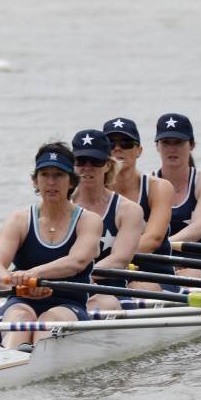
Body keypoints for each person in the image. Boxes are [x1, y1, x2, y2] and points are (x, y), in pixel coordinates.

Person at [0, 142, 101, 351]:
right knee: (21, 318)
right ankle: (11, 359)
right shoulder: (19, 220)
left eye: (58, 175)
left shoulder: (89, 221)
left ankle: (29, 360)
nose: (51, 182)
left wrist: (33, 274)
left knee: (48, 321)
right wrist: (18, 285)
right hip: (21, 301)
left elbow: (77, 261)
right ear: (35, 181)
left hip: (69, 304)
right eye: (45, 174)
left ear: (72, 182)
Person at [69, 129, 144, 311]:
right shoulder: (60, 206)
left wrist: (74, 276)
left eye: (95, 161)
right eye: (81, 161)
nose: (87, 167)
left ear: (108, 166)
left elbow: (119, 259)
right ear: (72, 165)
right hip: (65, 289)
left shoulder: (128, 210)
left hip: (111, 292)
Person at [104, 117, 177, 291]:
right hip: (107, 273)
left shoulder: (159, 187)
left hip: (153, 273)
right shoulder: (88, 192)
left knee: (138, 287)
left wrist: (110, 259)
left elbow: (153, 239)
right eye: (110, 143)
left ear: (139, 150)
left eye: (126, 143)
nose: (118, 148)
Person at [154, 112, 201, 279]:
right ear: (157, 146)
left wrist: (163, 245)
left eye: (178, 143)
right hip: (158, 263)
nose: (171, 149)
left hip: (197, 263)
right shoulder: (148, 184)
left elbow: (199, 228)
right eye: (166, 143)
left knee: (188, 275)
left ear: (191, 145)